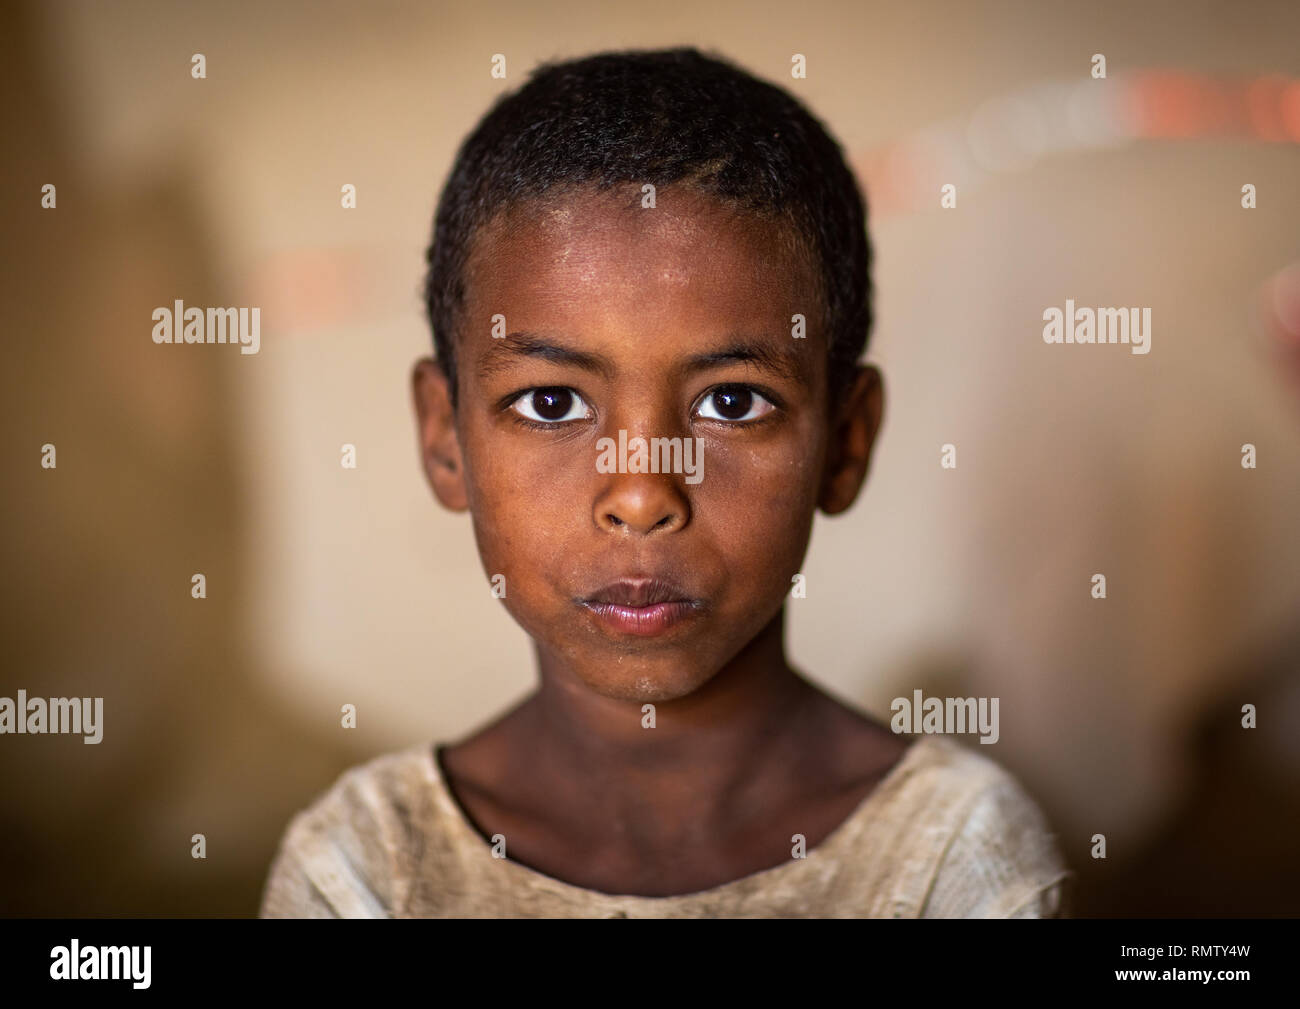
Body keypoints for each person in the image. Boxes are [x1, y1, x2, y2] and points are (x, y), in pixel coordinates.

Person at [260, 46, 1070, 918]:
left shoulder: (957, 855)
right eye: (551, 401)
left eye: (730, 401)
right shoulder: (367, 865)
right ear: (445, 437)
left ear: (845, 441)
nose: (643, 492)